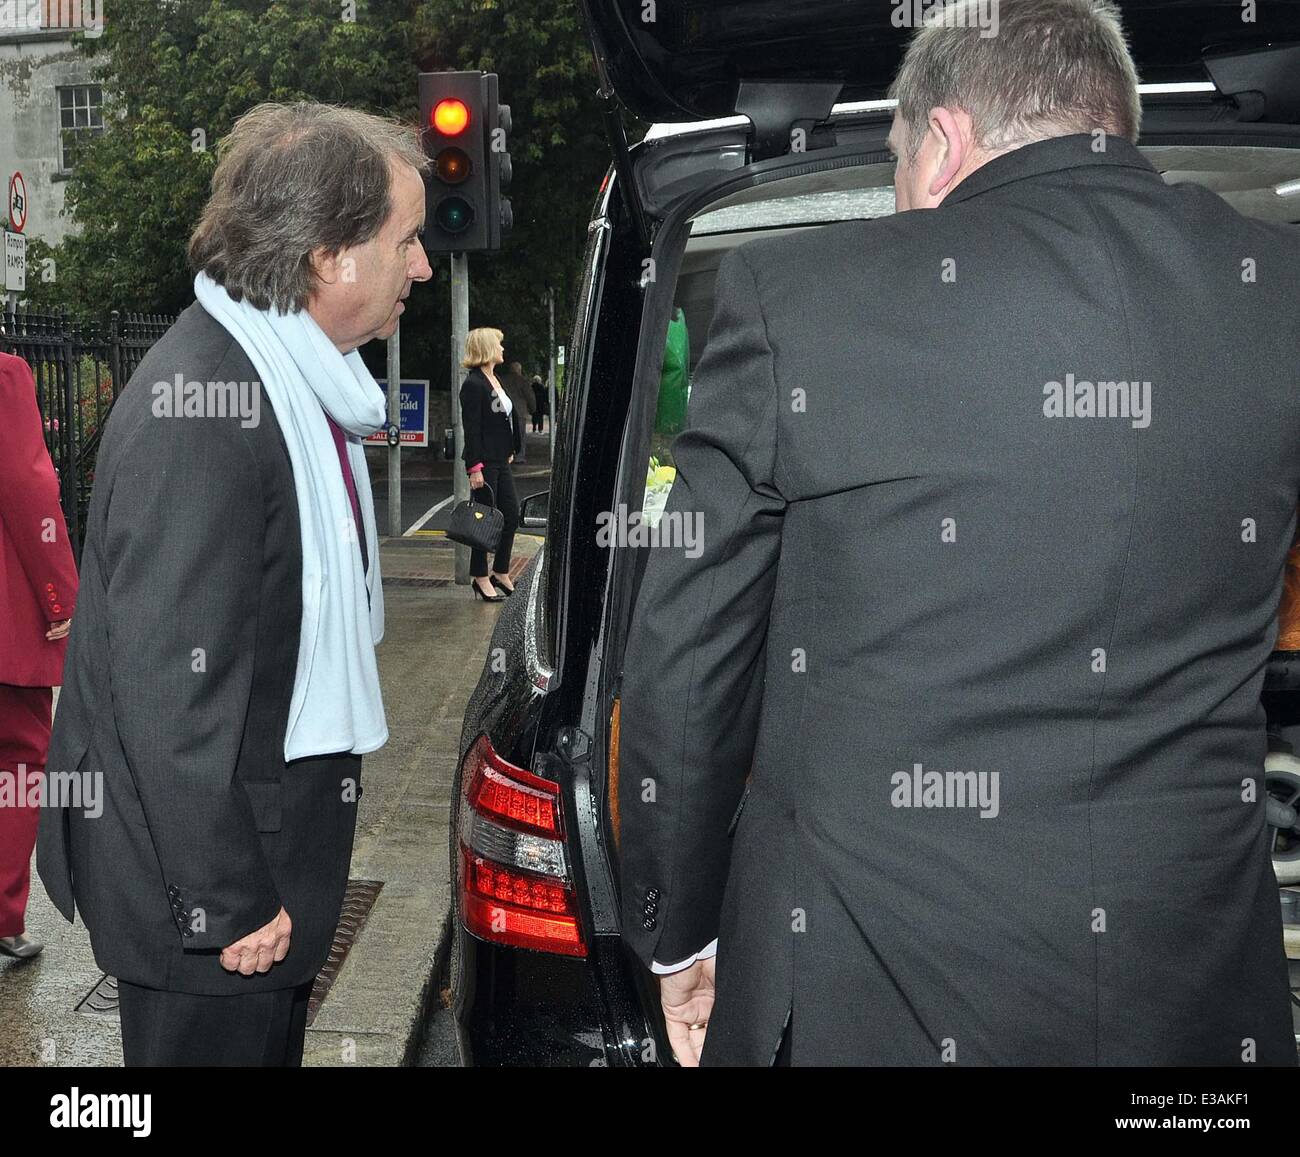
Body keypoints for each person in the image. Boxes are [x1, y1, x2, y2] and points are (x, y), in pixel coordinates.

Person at [618, 0, 1300, 1067]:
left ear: (941, 140)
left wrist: (679, 930)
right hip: (1190, 983)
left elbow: (688, 652)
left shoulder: (798, 296)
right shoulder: (1276, 293)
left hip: (870, 984)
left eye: (895, 158)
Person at [37, 102, 432, 1066]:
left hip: (255, 873)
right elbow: (165, 691)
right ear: (329, 256)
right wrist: (227, 897)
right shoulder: (208, 412)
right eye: (406, 239)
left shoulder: (282, 378)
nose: (421, 266)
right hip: (210, 908)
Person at [0, 351, 77, 961]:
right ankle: (1, 918)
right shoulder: (4, 376)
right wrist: (61, 597)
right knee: (18, 760)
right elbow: (30, 490)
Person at [459, 328, 522, 602]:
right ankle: (479, 576)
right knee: (483, 521)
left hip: (500, 459)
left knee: (511, 514)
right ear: (486, 348)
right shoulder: (474, 384)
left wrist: (511, 448)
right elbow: (472, 428)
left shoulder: (495, 379)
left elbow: (505, 419)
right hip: (484, 462)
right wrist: (474, 467)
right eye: (498, 344)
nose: (502, 349)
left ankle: (500, 571)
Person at [499, 360, 535, 462]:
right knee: (520, 435)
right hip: (520, 411)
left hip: (503, 410)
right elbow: (530, 396)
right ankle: (519, 456)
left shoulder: (502, 380)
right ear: (519, 370)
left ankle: (505, 455)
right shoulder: (522, 381)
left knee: (504, 434)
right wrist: (533, 409)